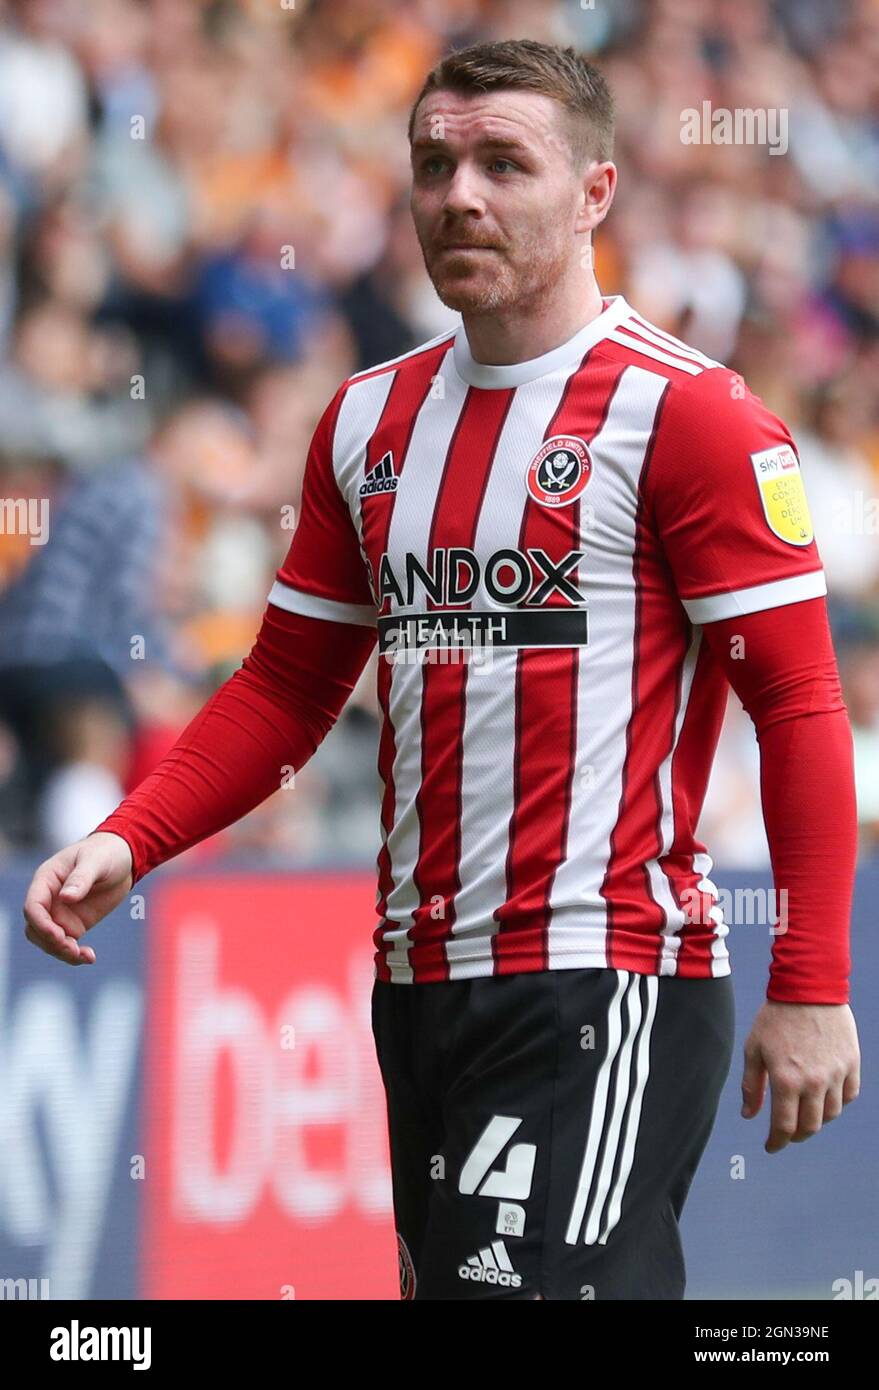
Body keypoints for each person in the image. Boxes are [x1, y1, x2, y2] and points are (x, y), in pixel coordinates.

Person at [22, 39, 861, 1301]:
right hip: (418, 989)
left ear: (596, 193)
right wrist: (132, 838)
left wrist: (812, 983)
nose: (459, 193)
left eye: (502, 163)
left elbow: (798, 702)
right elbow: (287, 690)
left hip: (605, 978)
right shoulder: (366, 420)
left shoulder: (691, 418)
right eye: (434, 163)